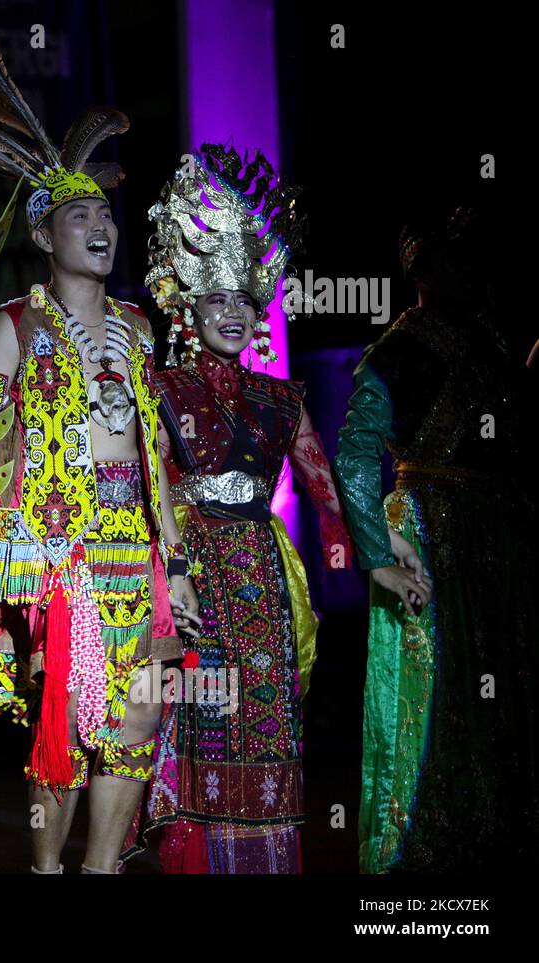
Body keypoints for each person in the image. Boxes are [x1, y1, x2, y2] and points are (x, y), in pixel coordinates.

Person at [0, 16, 200, 875]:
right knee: (70, 715)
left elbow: (158, 455)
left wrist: (182, 560)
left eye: (106, 213)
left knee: (136, 720)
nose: (102, 225)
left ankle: (99, 869)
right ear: (44, 235)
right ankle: (47, 868)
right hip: (55, 553)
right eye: (80, 214)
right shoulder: (14, 326)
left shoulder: (136, 326)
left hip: (137, 548)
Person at [134, 145, 353, 872]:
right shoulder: (159, 387)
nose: (233, 312)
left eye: (243, 301)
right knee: (199, 720)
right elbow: (145, 487)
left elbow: (325, 494)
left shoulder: (280, 399)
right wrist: (168, 572)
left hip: (264, 575)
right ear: (189, 307)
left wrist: (358, 558)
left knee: (267, 726)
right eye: (217, 299)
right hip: (192, 573)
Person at [334, 205, 538, 872]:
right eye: (451, 256)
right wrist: (375, 550)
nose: (466, 270)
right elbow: (357, 454)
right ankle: (427, 845)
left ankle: (498, 827)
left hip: (498, 535)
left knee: (504, 683)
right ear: (421, 265)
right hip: (426, 536)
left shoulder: (493, 343)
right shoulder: (396, 352)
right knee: (435, 694)